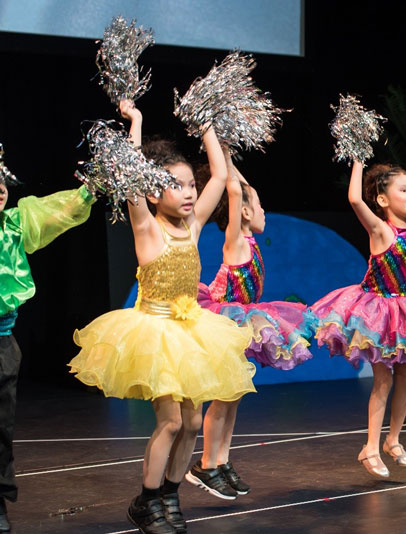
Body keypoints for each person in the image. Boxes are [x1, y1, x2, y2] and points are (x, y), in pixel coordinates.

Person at [69, 100, 256, 534]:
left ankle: (171, 495)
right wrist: (135, 121)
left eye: (190, 185)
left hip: (189, 331)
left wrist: (207, 125)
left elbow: (220, 177)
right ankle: (147, 501)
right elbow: (133, 176)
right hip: (155, 332)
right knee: (170, 421)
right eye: (176, 186)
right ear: (153, 193)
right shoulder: (148, 229)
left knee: (192, 422)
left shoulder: (193, 227)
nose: (189, 193)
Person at [310, 151, 406, 478]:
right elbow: (354, 199)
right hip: (378, 312)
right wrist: (358, 157)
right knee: (383, 379)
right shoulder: (380, 229)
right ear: (382, 199)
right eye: (403, 190)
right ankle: (370, 448)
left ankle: (393, 440)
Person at [188, 153, 316, 499]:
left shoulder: (249, 237)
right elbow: (236, 191)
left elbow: (245, 189)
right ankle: (205, 465)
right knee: (224, 396)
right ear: (243, 212)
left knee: (235, 394)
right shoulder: (236, 239)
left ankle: (222, 459)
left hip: (242, 318)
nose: (263, 211)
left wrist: (231, 159)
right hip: (223, 320)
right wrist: (223, 152)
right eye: (257, 207)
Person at [0, 160, 95, 533]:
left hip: (2, 344)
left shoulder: (13, 225)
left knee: (0, 427)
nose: (0, 190)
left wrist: (91, 188)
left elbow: (59, 211)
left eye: (1, 182)